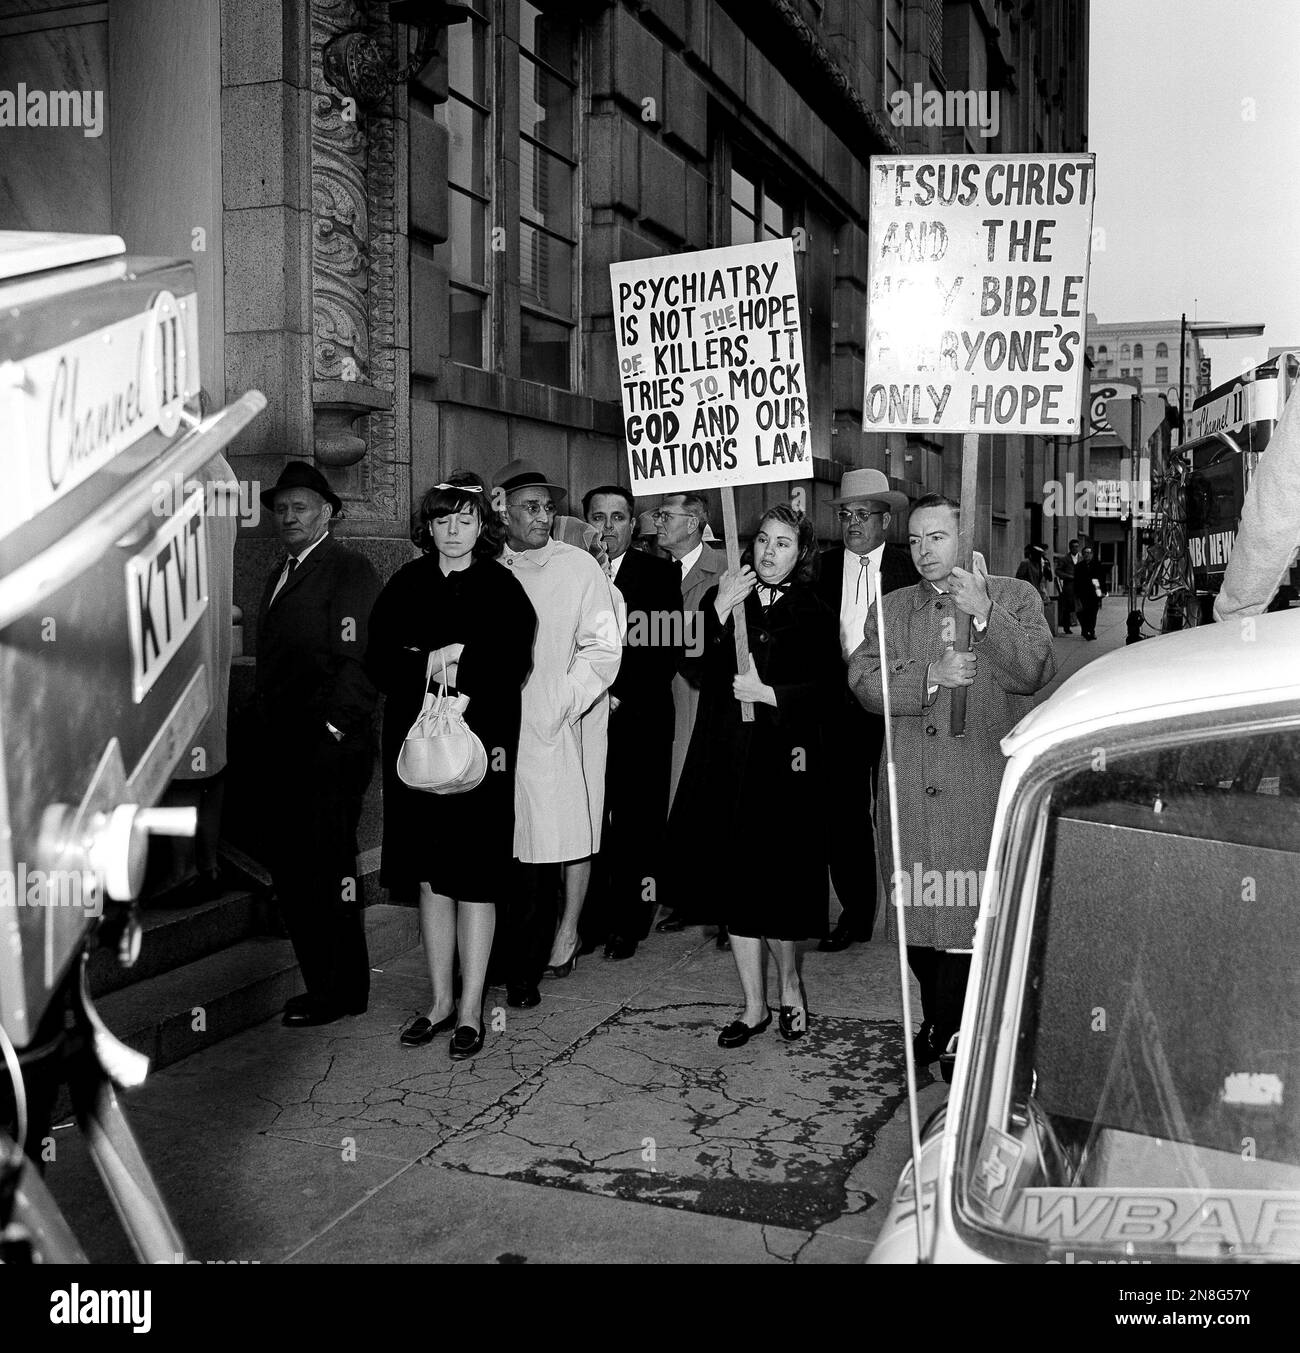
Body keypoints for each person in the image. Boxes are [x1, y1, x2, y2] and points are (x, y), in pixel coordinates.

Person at [848, 493, 1056, 1065]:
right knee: (918, 924)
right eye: (914, 540)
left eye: (936, 537)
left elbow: (1035, 669)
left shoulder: (1015, 596)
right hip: (912, 791)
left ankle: (954, 1031)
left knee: (968, 924)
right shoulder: (891, 610)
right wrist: (927, 676)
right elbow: (864, 682)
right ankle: (942, 1019)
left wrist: (985, 612)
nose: (923, 551)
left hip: (978, 791)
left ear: (965, 537)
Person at [365, 473, 536, 1059]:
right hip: (418, 751)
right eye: (443, 520)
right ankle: (439, 1001)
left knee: (476, 877)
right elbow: (380, 659)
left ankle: (471, 1010)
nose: (454, 531)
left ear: (482, 525)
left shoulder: (502, 586)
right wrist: (438, 658)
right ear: (428, 527)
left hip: (482, 752)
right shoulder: (406, 582)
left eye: (466, 519)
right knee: (431, 876)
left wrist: (452, 664)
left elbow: (510, 661)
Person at [667, 504, 841, 1048]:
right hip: (727, 757)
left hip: (784, 764)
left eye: (783, 543)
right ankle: (752, 1006)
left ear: (801, 552)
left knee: (777, 885)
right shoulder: (728, 596)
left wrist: (770, 695)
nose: (769, 551)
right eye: (763, 539)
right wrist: (718, 609)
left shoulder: (812, 608)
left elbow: (829, 693)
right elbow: (691, 665)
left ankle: (790, 986)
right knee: (735, 884)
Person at [250, 461, 381, 1027]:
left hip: (329, 751)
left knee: (329, 870)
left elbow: (359, 662)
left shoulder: (348, 569)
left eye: (300, 506)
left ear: (327, 511)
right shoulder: (280, 570)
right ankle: (320, 983)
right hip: (283, 752)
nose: (288, 516)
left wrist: (334, 729)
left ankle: (343, 989)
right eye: (281, 508)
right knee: (295, 873)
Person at [492, 459, 622, 1008]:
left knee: (545, 850)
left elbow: (603, 645)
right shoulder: (487, 564)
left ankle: (535, 960)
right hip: (491, 729)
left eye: (549, 506)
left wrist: (563, 702)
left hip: (549, 728)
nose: (544, 516)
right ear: (502, 511)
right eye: (531, 507)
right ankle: (495, 959)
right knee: (500, 849)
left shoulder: (576, 568)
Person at [813, 467, 918, 952]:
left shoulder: (907, 569)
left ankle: (913, 914)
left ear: (886, 521)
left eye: (863, 514)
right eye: (846, 514)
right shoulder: (822, 566)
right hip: (837, 708)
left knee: (899, 808)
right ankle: (855, 915)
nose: (853, 522)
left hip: (896, 705)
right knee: (843, 812)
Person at [578, 485, 684, 960]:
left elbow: (667, 651)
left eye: (617, 517)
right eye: (597, 517)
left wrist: (615, 693)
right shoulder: (571, 572)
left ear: (632, 523)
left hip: (639, 717)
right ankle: (592, 918)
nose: (606, 527)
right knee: (590, 819)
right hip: (582, 718)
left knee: (637, 822)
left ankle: (631, 920)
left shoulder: (660, 573)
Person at [653, 491, 726, 938]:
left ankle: (724, 903)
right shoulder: (651, 570)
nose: (658, 522)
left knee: (711, 797)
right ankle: (683, 895)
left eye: (666, 515)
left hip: (705, 699)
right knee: (672, 798)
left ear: (696, 522)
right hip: (664, 701)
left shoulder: (726, 569)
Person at [1015, 543, 1057, 637]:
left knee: (1038, 617)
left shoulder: (1039, 564)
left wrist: (1047, 568)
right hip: (1027, 595)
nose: (1040, 557)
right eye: (1039, 555)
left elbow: (1048, 578)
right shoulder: (1025, 563)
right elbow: (1019, 578)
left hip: (1037, 594)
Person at [1075, 544, 1107, 640]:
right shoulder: (1079, 566)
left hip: (1095, 593)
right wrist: (1076, 593)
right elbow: (1076, 581)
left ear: (1092, 554)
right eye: (1085, 553)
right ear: (1082, 554)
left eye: (1089, 553)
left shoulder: (1097, 565)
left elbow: (1102, 579)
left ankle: (1091, 631)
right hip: (1083, 593)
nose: (1087, 555)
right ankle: (1085, 630)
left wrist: (1103, 591)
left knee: (1093, 613)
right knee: (1083, 613)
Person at [1056, 538, 1080, 633]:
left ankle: (1085, 628)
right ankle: (1067, 627)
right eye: (1073, 547)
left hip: (1080, 586)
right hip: (1069, 586)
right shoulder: (1064, 559)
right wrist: (1068, 576)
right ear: (1070, 548)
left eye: (1077, 547)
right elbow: (1058, 571)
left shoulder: (1081, 558)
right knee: (1067, 608)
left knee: (1080, 607)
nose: (1075, 549)